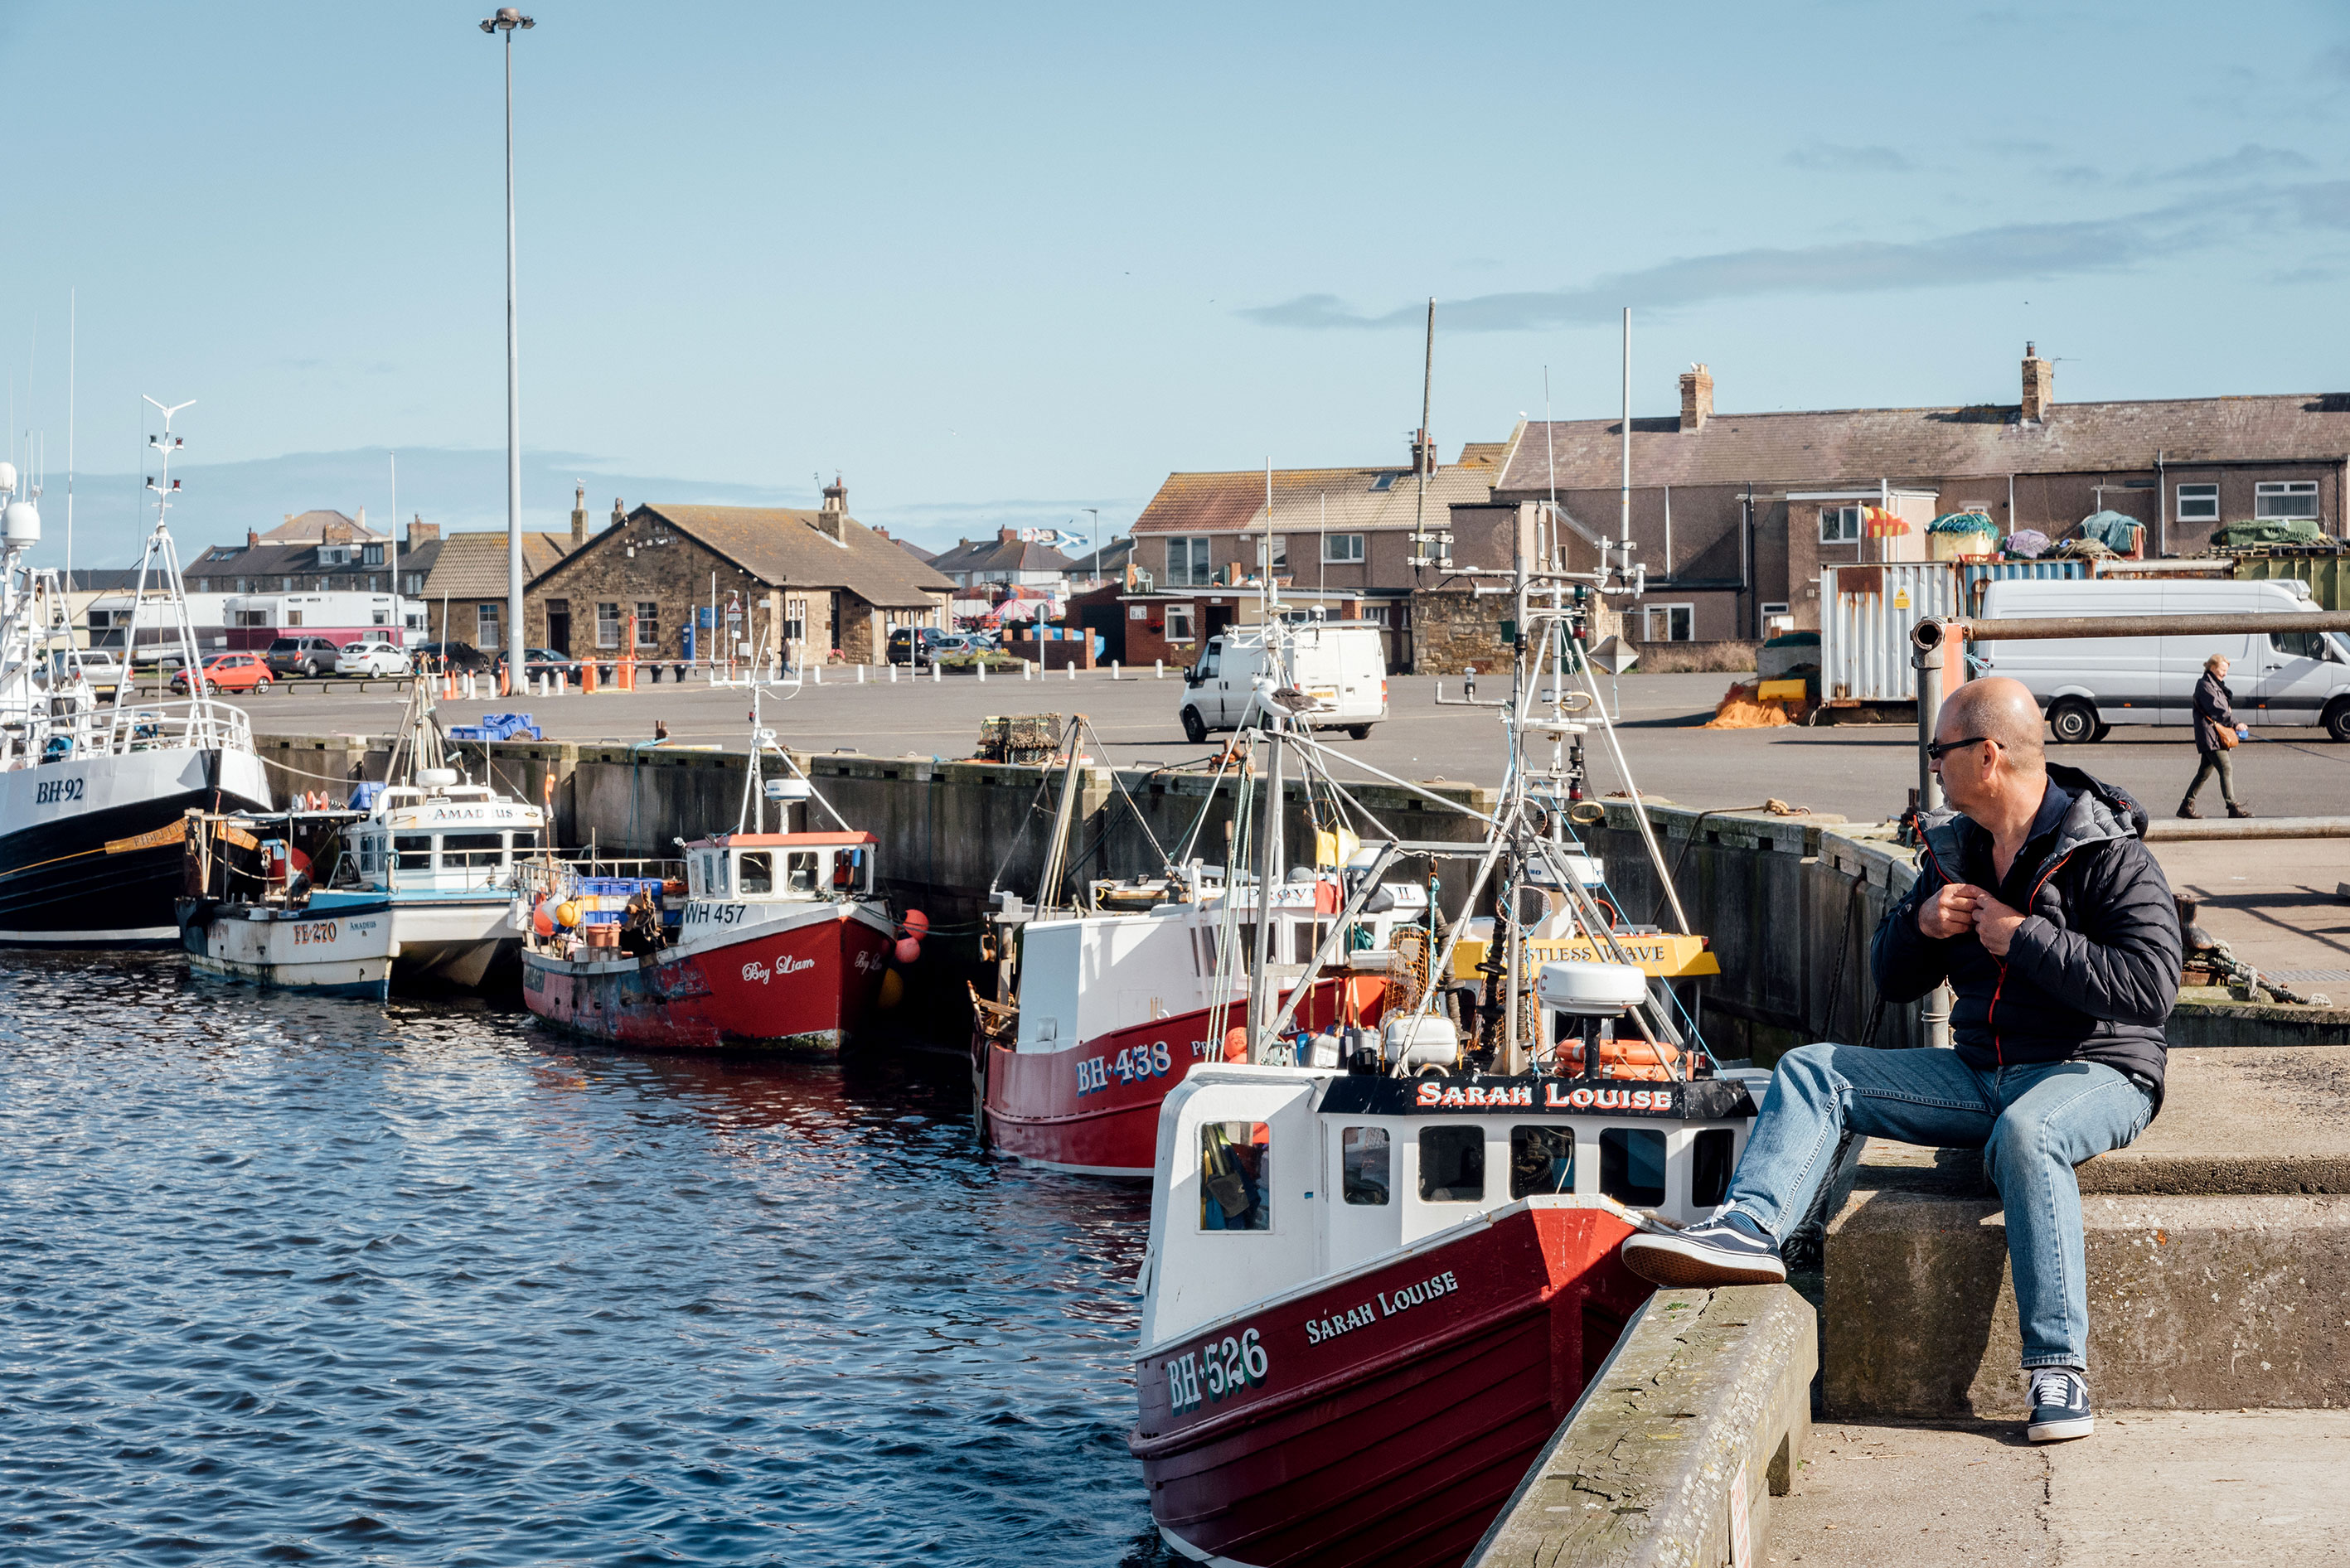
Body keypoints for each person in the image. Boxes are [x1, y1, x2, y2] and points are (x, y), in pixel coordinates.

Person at [1620, 676, 2181, 1445]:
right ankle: (1749, 1231)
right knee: (1813, 1069)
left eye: (1938, 750)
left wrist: (2025, 937)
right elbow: (1891, 978)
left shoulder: (2108, 853)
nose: (1930, 764)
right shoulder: (1953, 852)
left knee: (2028, 1134)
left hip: (2095, 1072)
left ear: (1985, 756)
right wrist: (1921, 924)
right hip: (1979, 1074)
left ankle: (2059, 1370)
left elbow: (2148, 990)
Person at [2181, 653, 2251, 820]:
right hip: (2210, 735)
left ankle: (2186, 806)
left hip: (2213, 735)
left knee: (2204, 773)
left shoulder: (2214, 684)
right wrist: (2236, 723)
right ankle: (2232, 807)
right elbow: (2217, 710)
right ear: (2212, 668)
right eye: (2222, 670)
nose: (2225, 673)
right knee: (2226, 768)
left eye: (2226, 670)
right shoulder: (2205, 685)